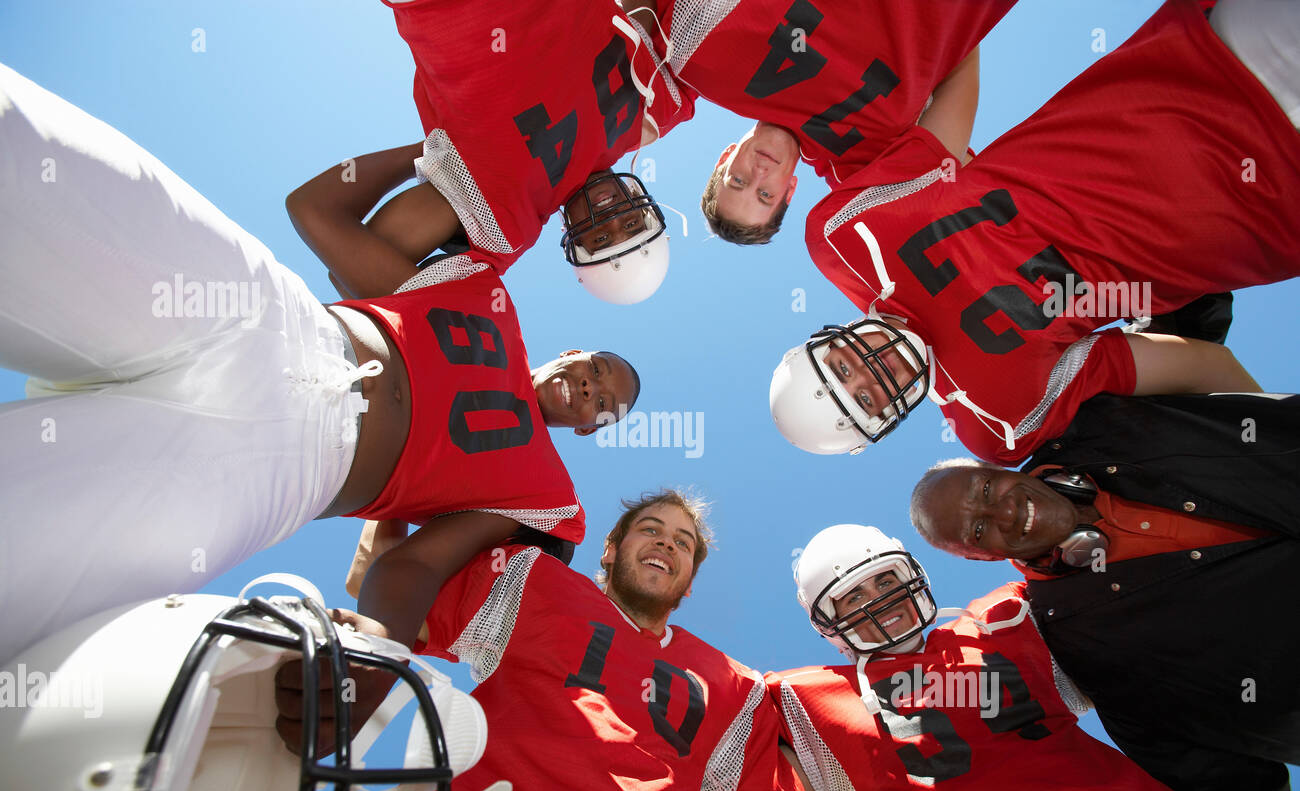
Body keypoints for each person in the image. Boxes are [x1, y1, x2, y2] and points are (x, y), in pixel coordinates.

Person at [0, 63, 638, 661]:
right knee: (28, 158)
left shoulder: (543, 493)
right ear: (573, 353)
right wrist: (432, 154)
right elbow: (316, 209)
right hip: (266, 319)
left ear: (590, 429)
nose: (592, 389)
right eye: (599, 369)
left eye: (605, 405)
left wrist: (382, 647)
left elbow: (410, 567)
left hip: (285, 468)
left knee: (24, 557)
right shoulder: (486, 297)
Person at [770, 0, 1300, 464]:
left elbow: (953, 70)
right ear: (886, 423)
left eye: (841, 368)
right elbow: (1205, 363)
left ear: (820, 342)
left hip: (1212, 71)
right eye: (865, 401)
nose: (874, 373)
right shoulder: (998, 424)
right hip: (1271, 215)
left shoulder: (846, 237)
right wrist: (1282, 457)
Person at [288, 490, 867, 791]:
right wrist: (401, 489)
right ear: (610, 552)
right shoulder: (535, 581)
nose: (667, 540)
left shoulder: (734, 686)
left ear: (689, 583)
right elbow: (383, 582)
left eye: (684, 542)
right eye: (650, 528)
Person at [908, 391, 1300, 791]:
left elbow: (1187, 327)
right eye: (979, 528)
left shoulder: (1094, 418)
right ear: (983, 556)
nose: (1005, 511)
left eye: (986, 490)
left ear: (998, 467)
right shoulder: (1087, 649)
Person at [764, 523, 1287, 791]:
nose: (877, 601)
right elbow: (714, 768)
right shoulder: (811, 699)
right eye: (853, 596)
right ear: (829, 627)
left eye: (883, 581)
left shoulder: (1002, 621)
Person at [330, 0, 696, 305]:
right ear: (643, 206)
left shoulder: (508, 224)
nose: (611, 219)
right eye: (630, 226)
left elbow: (349, 265)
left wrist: (424, 153)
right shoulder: (654, 113)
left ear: (575, 239)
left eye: (602, 239)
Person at [650, 0, 1011, 242]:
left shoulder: (700, 60)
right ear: (789, 190)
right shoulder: (860, 168)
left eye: (738, 180)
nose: (758, 173)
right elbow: (948, 159)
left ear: (725, 156)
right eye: (764, 194)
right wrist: (955, 24)